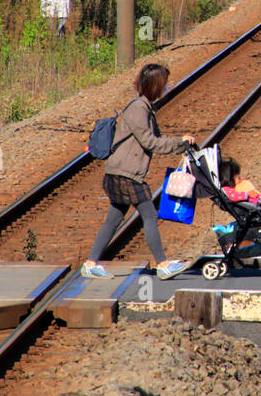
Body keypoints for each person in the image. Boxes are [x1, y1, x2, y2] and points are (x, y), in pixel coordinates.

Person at [82, 63, 197, 279]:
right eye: (164, 84)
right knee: (150, 215)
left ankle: (90, 263)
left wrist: (180, 142)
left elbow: (158, 138)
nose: (167, 88)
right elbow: (150, 142)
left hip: (120, 172)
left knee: (113, 219)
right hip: (126, 174)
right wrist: (178, 143)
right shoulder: (138, 108)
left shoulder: (146, 109)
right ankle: (163, 264)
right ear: (155, 86)